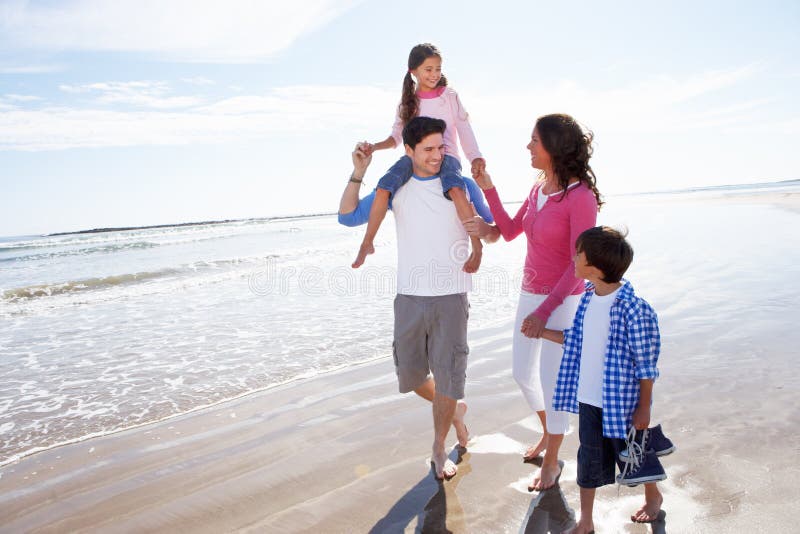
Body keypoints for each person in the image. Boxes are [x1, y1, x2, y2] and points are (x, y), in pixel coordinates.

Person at [345, 116, 495, 480]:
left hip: (451, 297)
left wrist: (483, 231)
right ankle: (455, 411)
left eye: (441, 147)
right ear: (408, 150)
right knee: (411, 377)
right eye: (427, 149)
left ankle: (439, 447)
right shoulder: (397, 188)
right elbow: (347, 216)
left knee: (447, 376)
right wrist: (358, 172)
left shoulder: (456, 184)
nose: (437, 155)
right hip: (409, 297)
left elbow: (494, 232)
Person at [466, 114, 601, 491]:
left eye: (534, 141)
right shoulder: (538, 188)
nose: (528, 146)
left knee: (554, 383)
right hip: (530, 293)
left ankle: (553, 461)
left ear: (553, 147)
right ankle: (549, 431)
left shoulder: (580, 198)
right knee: (521, 373)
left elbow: (580, 265)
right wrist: (487, 188)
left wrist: (544, 313)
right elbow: (508, 231)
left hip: (563, 302)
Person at [541, 226, 667, 530]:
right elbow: (578, 340)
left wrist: (644, 407)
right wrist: (542, 332)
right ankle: (586, 519)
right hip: (588, 399)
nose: (573, 258)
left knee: (634, 455)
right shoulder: (586, 299)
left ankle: (653, 497)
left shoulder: (634, 310)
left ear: (594, 269)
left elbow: (646, 364)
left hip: (621, 403)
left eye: (578, 254)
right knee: (588, 458)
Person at [352, 43, 486, 274]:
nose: (434, 74)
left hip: (446, 155)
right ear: (413, 71)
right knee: (384, 188)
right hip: (414, 159)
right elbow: (396, 137)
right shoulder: (408, 102)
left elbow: (464, 128)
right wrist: (374, 147)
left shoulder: (450, 96)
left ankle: (476, 245)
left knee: (455, 188)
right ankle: (367, 243)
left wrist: (475, 157)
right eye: (428, 69)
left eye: (438, 69)